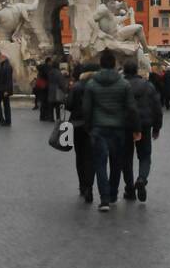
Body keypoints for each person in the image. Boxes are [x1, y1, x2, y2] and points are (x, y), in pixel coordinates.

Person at [82, 49, 140, 212]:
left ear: (100, 65)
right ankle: (113, 193)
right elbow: (131, 108)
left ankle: (105, 200)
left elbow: (86, 109)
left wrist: (88, 126)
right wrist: (136, 128)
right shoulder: (124, 84)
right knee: (117, 163)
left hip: (98, 128)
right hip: (119, 128)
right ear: (114, 64)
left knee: (100, 164)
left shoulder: (92, 84)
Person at [122, 59, 162, 203]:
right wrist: (157, 127)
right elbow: (157, 107)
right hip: (145, 125)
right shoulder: (148, 85)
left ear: (125, 71)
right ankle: (142, 178)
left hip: (125, 125)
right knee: (145, 156)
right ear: (137, 71)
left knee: (126, 158)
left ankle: (129, 188)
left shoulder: (121, 85)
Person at [67, 63, 96, 202]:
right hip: (93, 125)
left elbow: (68, 105)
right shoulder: (96, 86)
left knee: (79, 156)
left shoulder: (77, 86)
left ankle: (82, 185)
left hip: (77, 125)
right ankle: (89, 186)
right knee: (90, 157)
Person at [0, 52, 13, 126]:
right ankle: (3, 120)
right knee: (5, 104)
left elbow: (8, 79)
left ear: (4, 57)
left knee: (2, 104)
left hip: (3, 89)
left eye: (1, 57)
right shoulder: (3, 65)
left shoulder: (7, 67)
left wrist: (6, 91)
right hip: (1, 89)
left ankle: (4, 120)